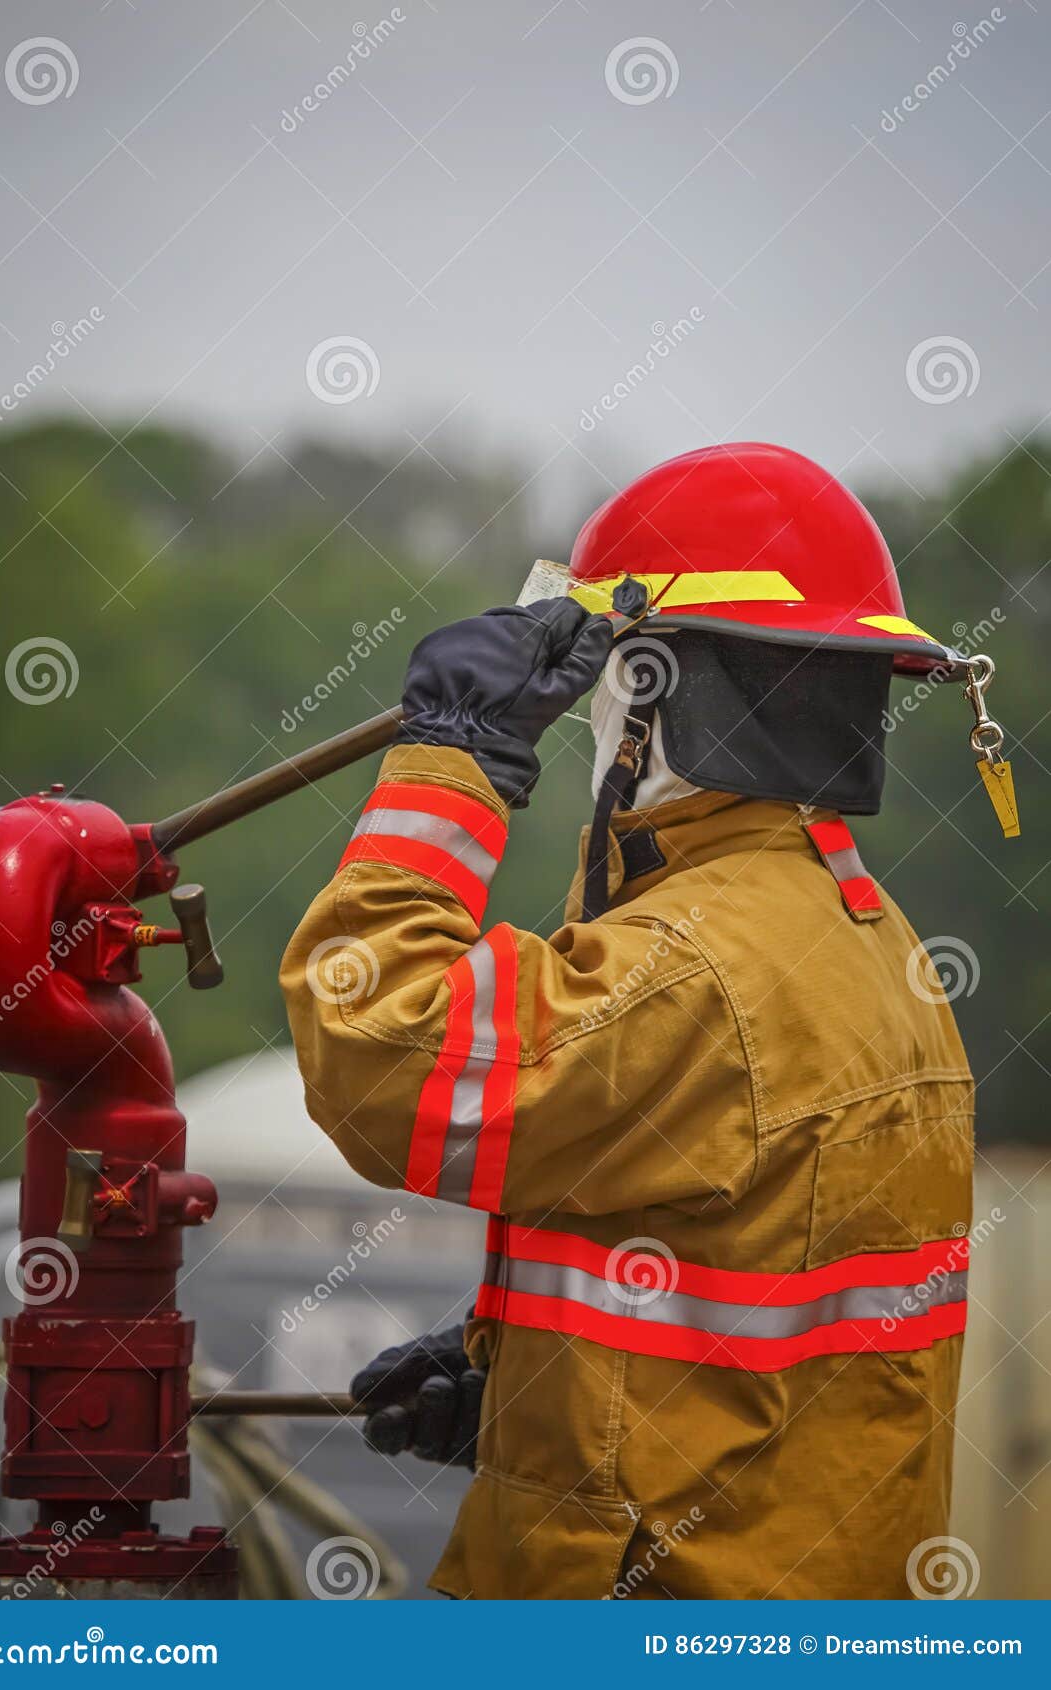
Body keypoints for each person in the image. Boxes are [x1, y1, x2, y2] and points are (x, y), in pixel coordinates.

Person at [281, 442, 974, 1599]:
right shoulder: (864, 933)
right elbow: (757, 1295)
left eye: (602, 681)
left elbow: (377, 1050)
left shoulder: (693, 967)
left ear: (651, 690)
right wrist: (529, 1380)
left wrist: (446, 764)